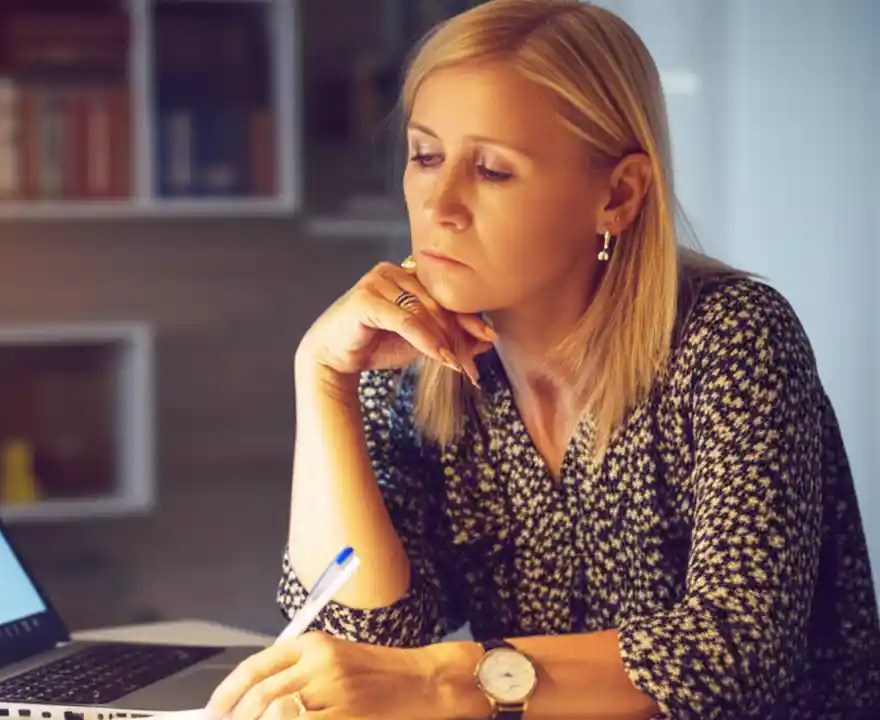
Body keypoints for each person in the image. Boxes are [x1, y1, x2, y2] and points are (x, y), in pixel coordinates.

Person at [205, 0, 880, 718]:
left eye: (493, 170)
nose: (440, 204)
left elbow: (736, 648)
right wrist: (324, 376)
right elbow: (361, 639)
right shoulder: (411, 363)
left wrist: (443, 682)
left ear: (618, 195)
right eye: (425, 156)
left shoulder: (734, 337)